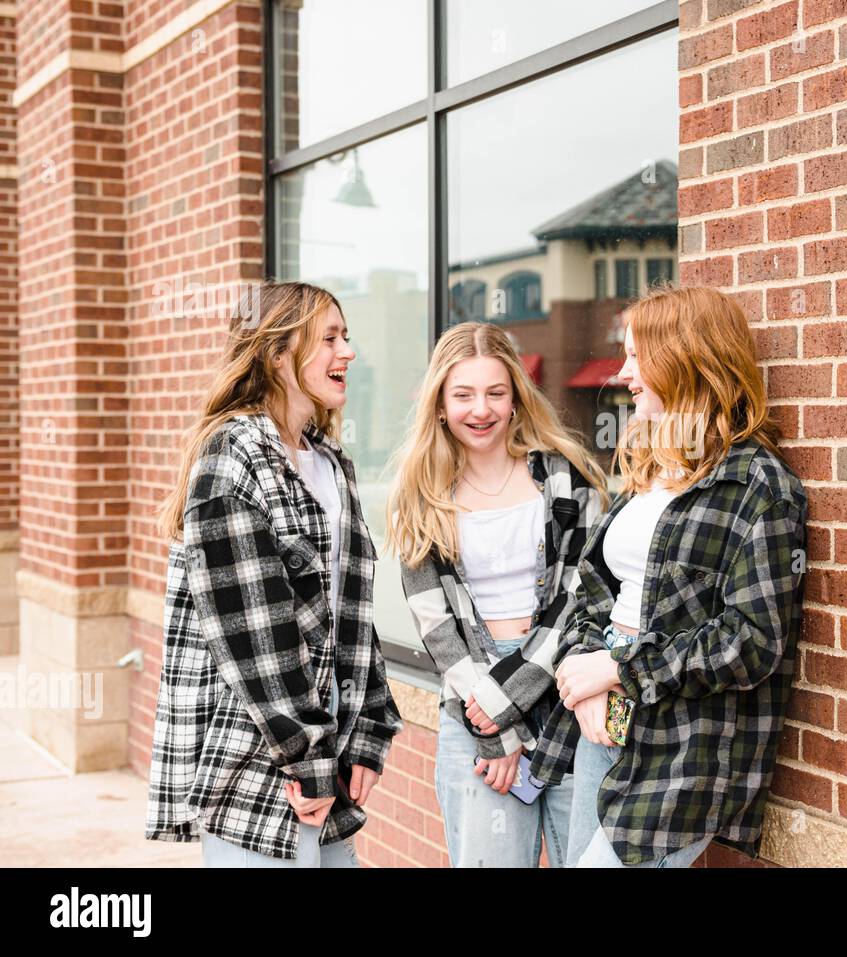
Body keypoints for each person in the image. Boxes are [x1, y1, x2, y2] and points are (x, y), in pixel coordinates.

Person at [529, 285, 809, 868]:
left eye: (637, 357)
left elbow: (752, 642)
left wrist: (619, 669)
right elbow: (592, 590)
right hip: (602, 721)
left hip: (681, 749)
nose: (624, 373)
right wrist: (584, 679)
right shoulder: (650, 471)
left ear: (685, 359)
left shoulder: (756, 486)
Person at [147, 280, 403, 867]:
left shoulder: (330, 463)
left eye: (347, 336)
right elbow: (252, 637)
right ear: (278, 352)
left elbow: (351, 616)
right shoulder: (231, 456)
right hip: (260, 744)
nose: (349, 352)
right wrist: (307, 755)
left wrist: (366, 732)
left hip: (324, 738)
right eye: (330, 339)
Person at [389, 321, 607, 867]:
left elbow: (584, 598)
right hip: (470, 703)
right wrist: (491, 725)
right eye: (463, 394)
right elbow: (435, 626)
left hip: (568, 698)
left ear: (516, 399)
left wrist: (504, 703)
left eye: (495, 392)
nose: (480, 409)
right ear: (439, 403)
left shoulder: (566, 480)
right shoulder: (422, 496)